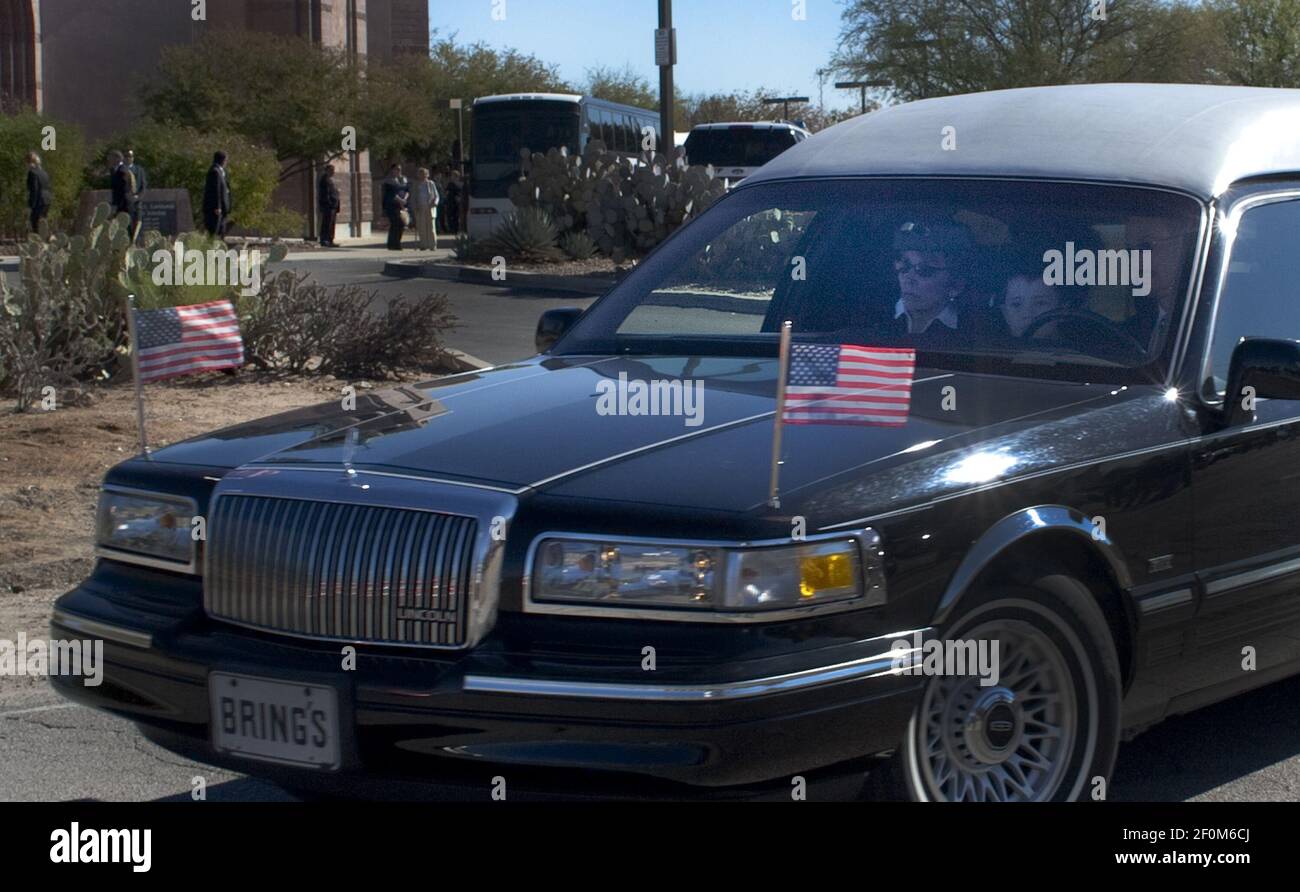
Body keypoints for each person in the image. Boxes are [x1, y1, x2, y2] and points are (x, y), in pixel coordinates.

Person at [887, 220, 974, 349]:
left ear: (956, 285)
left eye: (924, 270)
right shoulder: (872, 317)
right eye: (904, 266)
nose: (908, 278)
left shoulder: (973, 330)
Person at [108, 150, 139, 241]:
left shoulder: (122, 171)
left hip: (124, 205)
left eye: (111, 158)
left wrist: (116, 205)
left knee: (126, 226)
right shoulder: (115, 170)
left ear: (117, 158)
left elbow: (123, 190)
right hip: (121, 204)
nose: (109, 160)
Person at [203, 150, 232, 237]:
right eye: (226, 160)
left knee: (221, 232)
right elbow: (215, 190)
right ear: (222, 160)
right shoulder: (214, 172)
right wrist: (217, 206)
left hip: (222, 210)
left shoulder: (221, 172)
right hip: (215, 210)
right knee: (214, 232)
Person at [410, 167, 439, 250]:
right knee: (422, 227)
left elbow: (436, 195)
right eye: (421, 174)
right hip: (420, 208)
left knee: (431, 228)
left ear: (427, 175)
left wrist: (435, 203)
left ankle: (432, 245)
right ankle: (423, 244)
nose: (423, 176)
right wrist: (414, 206)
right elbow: (413, 197)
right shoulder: (416, 184)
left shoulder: (431, 183)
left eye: (424, 174)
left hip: (430, 207)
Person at [381, 163, 407, 250]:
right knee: (397, 223)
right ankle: (394, 244)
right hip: (391, 205)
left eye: (400, 169)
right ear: (392, 170)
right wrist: (401, 200)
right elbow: (392, 194)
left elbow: (407, 190)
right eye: (397, 169)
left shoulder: (402, 180)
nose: (399, 171)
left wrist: (405, 200)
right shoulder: (389, 181)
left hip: (401, 206)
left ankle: (395, 243)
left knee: (400, 224)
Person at [26, 152, 52, 234]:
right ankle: (46, 241)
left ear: (29, 162)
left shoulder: (32, 173)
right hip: (47, 199)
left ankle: (38, 243)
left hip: (38, 200)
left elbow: (34, 189)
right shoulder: (44, 173)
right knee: (43, 222)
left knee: (35, 222)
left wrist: (31, 205)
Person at [317, 164, 340, 247]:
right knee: (327, 223)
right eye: (331, 170)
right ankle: (325, 240)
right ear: (327, 170)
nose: (333, 172)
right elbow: (325, 194)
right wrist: (330, 203)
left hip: (333, 206)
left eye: (333, 170)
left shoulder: (329, 180)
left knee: (331, 224)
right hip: (328, 207)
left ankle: (330, 240)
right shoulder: (325, 180)